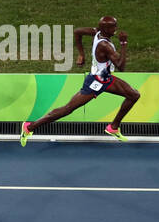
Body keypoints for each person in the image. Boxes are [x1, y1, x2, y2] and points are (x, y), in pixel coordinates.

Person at [20, 16, 138, 145]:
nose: (116, 28)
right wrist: (123, 44)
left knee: (133, 95)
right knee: (67, 109)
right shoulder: (105, 45)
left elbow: (77, 31)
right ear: (106, 29)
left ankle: (113, 127)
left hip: (106, 78)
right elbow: (121, 66)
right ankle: (29, 127)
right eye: (113, 26)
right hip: (95, 82)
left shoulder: (97, 32)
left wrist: (81, 54)